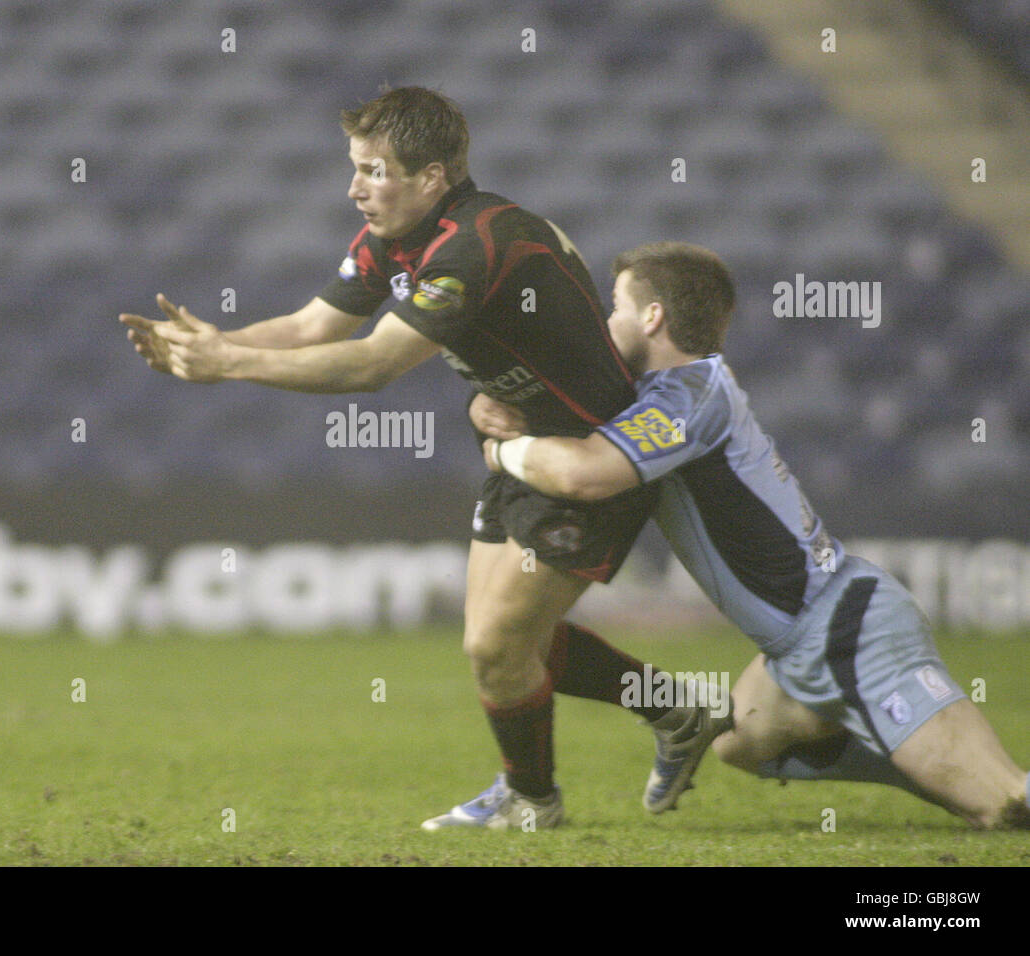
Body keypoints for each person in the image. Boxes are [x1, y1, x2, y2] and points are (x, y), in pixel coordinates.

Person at [120, 87, 711, 830]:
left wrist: (227, 367)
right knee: (511, 647)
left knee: (493, 647)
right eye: (354, 167)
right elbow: (309, 326)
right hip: (516, 451)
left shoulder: (475, 245)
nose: (354, 188)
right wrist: (215, 344)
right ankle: (678, 712)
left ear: (432, 178)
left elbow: (372, 365)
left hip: (594, 459)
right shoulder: (392, 239)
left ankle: (534, 802)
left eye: (373, 170)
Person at [473, 240, 1030, 829]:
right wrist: (485, 405)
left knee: (1007, 805)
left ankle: (960, 779)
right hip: (793, 651)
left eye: (616, 306)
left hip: (844, 629)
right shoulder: (659, 396)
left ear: (653, 316)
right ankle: (929, 769)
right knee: (740, 742)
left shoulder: (691, 393)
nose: (607, 322)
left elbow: (585, 474)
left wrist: (503, 450)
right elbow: (545, 389)